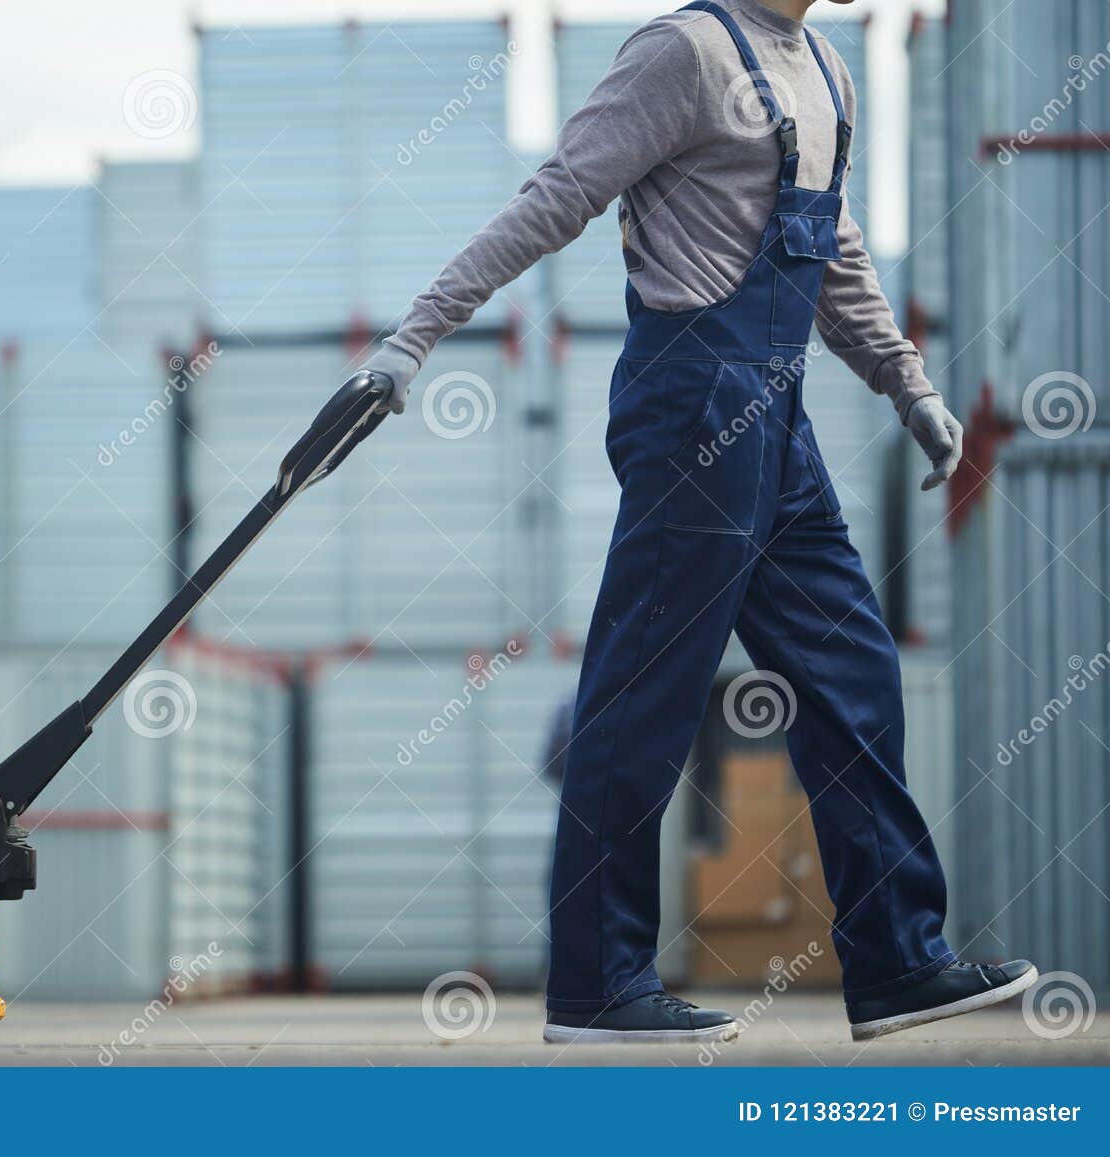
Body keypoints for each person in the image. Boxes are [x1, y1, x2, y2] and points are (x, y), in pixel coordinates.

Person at [354, 0, 1037, 1043]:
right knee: (643, 698)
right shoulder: (681, 54)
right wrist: (414, 335)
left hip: (780, 415)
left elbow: (837, 250)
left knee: (852, 674)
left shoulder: (825, 67)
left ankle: (896, 958)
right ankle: (596, 985)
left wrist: (908, 386)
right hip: (693, 408)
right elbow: (559, 194)